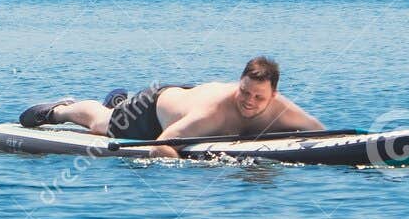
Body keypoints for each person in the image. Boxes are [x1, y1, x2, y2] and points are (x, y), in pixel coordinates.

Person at [18, 56, 323, 157]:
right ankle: (60, 109)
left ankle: (119, 100)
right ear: (238, 84)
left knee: (112, 113)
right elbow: (161, 146)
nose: (249, 101)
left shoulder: (282, 108)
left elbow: (321, 133)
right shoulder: (212, 113)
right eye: (245, 92)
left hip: (185, 100)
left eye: (259, 98)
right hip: (153, 110)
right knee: (103, 123)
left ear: (273, 96)